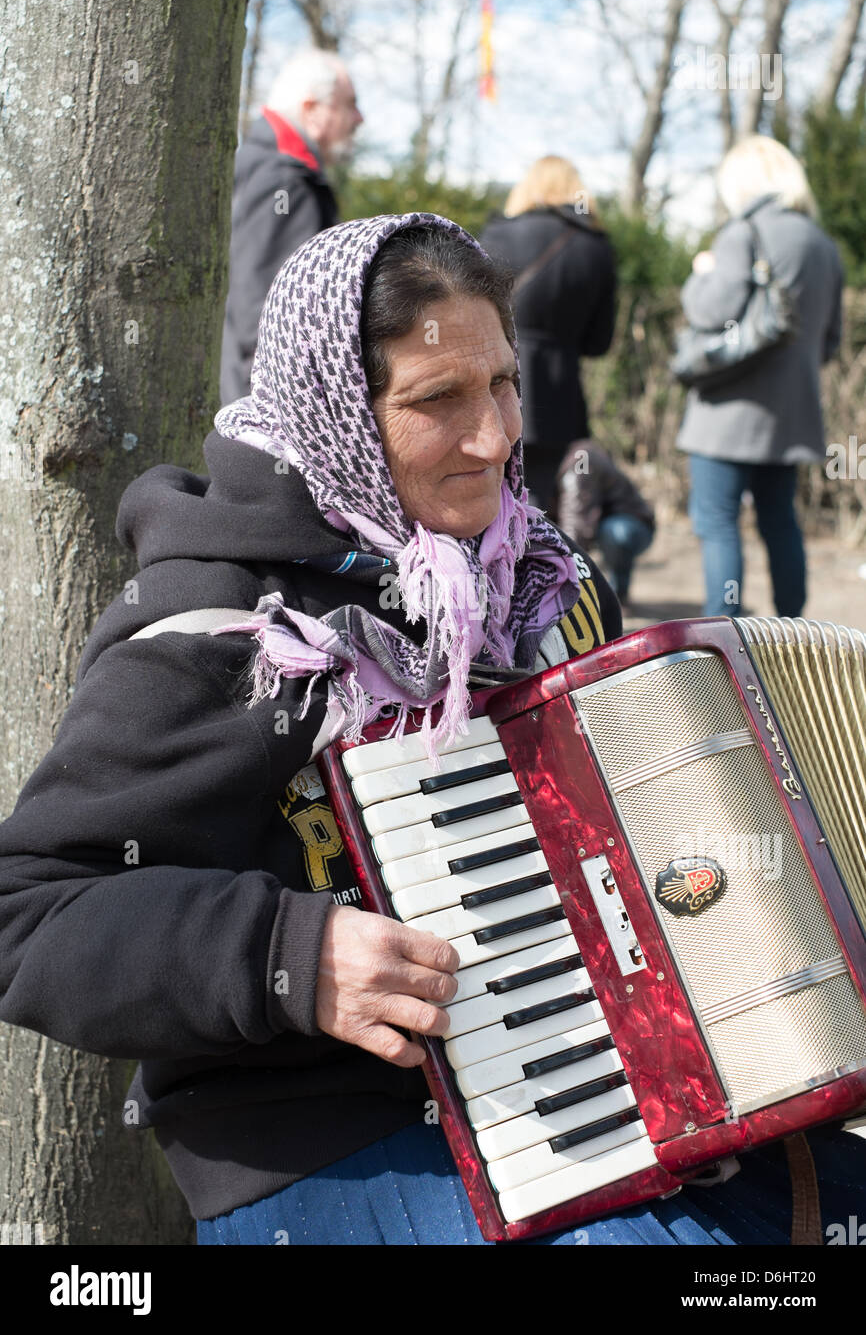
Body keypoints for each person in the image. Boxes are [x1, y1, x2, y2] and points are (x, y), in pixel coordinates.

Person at [0, 214, 861, 1247]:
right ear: (341, 416)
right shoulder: (223, 630)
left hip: (605, 1062)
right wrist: (287, 952)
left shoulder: (541, 577)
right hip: (324, 1129)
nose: (495, 437)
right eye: (435, 400)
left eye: (501, 383)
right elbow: (29, 913)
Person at [676, 135, 844, 618]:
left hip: (726, 414)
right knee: (780, 523)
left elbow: (710, 310)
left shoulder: (743, 232)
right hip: (790, 416)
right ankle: (794, 632)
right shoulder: (823, 245)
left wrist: (702, 272)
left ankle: (722, 633)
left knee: (718, 523)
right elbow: (828, 342)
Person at [220, 48, 363, 403]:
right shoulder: (284, 178)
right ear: (311, 110)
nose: (359, 118)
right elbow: (268, 316)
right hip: (272, 410)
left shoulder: (266, 166)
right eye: (349, 104)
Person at [479, 156, 617, 513]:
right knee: (552, 496)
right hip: (561, 396)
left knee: (494, 491)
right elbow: (599, 342)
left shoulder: (494, 235)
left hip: (495, 383)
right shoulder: (594, 245)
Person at [556, 437, 656, 610]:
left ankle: (616, 597)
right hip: (598, 525)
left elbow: (575, 518)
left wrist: (568, 572)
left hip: (632, 525)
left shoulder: (582, 458)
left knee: (615, 532)